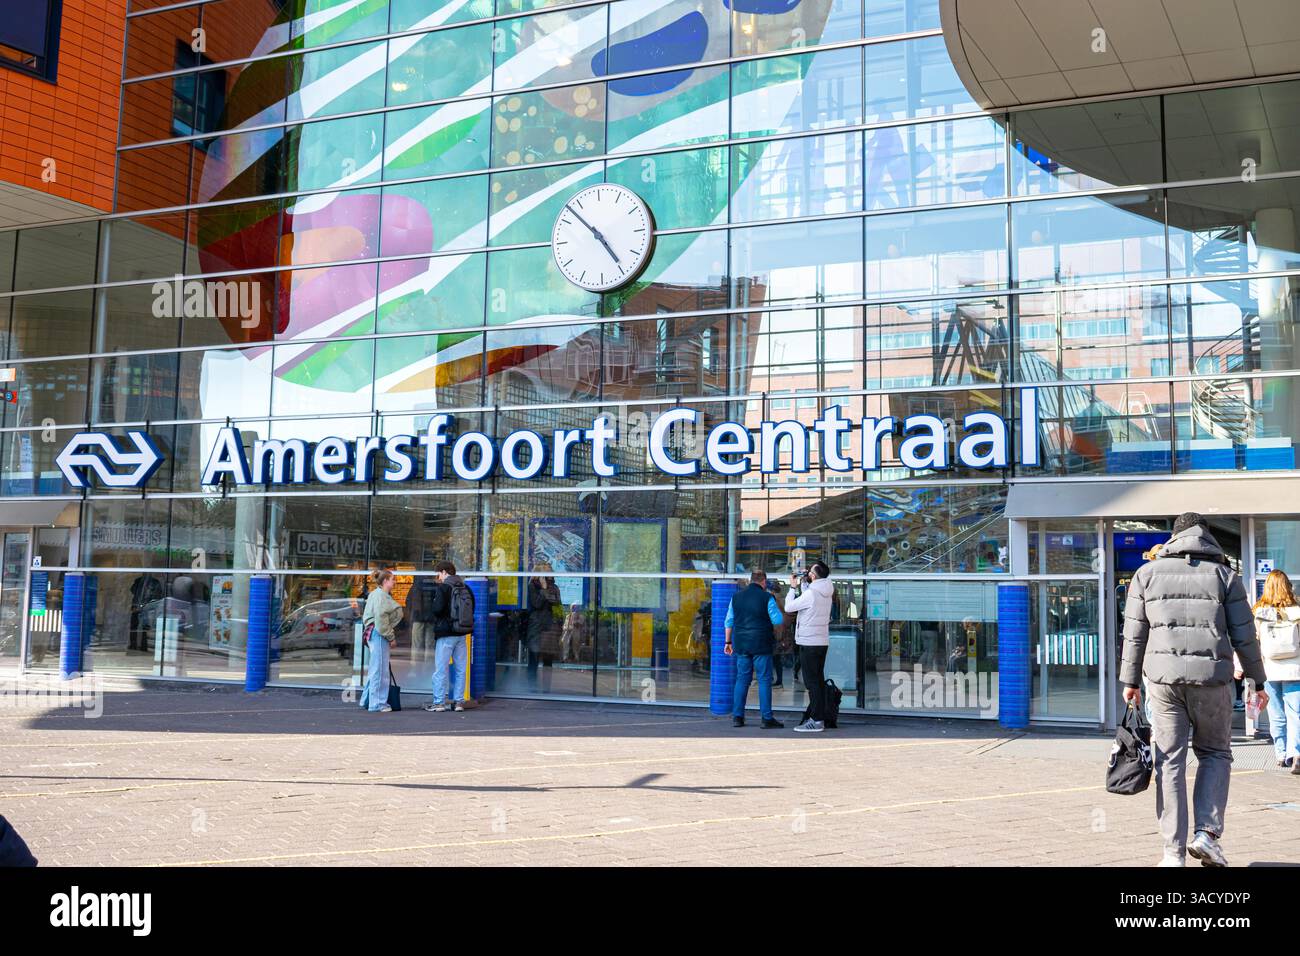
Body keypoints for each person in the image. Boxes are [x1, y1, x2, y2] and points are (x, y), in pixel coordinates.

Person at [1120, 512, 1268, 867]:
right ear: (1206, 536)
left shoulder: (1146, 574)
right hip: (1212, 680)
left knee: (1169, 761)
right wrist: (1257, 680)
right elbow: (1244, 635)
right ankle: (1207, 835)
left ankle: (1172, 854)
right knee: (1215, 754)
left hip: (1163, 681)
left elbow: (1134, 633)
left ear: (1174, 537)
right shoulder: (1224, 575)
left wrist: (1129, 681)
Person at [1251, 569, 1300, 773]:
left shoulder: (1258, 612)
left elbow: (1253, 642)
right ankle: (1295, 754)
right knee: (1295, 714)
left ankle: (1280, 754)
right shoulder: (1297, 611)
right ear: (1287, 586)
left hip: (1269, 670)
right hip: (1295, 670)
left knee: (1276, 714)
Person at [724, 571, 785, 729]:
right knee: (764, 680)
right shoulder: (767, 597)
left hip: (741, 644)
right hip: (761, 644)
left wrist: (727, 642)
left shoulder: (736, 597)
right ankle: (766, 719)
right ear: (763, 581)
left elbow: (728, 621)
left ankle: (738, 717)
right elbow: (777, 619)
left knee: (742, 679)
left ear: (751, 581)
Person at [785, 561, 835, 733]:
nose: (807, 573)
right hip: (821, 642)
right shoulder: (826, 590)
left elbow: (789, 607)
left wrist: (792, 588)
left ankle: (816, 720)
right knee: (818, 681)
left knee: (812, 683)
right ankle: (818, 716)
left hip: (809, 643)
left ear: (814, 575)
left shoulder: (813, 593)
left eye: (810, 572)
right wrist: (805, 584)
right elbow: (810, 600)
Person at [422, 561, 472, 713]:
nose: (438, 577)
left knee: (441, 669)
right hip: (461, 633)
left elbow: (437, 610)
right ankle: (458, 702)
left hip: (446, 633)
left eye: (438, 573)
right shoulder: (465, 587)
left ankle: (439, 702)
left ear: (444, 572)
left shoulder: (444, 587)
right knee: (461, 669)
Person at [361, 569, 403, 714]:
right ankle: (377, 704)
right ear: (385, 581)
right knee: (380, 670)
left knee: (376, 669)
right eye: (392, 579)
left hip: (374, 633)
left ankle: (368, 700)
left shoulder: (376, 594)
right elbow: (381, 619)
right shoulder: (381, 597)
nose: (395, 582)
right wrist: (391, 636)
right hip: (379, 634)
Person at [526, 566, 562, 692]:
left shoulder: (554, 587)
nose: (551, 573)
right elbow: (536, 603)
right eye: (548, 571)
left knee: (548, 660)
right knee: (533, 659)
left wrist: (546, 589)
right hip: (536, 627)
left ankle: (546, 689)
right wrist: (544, 589)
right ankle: (531, 688)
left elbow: (556, 602)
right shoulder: (532, 586)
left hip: (550, 628)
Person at [405, 571, 440, 665]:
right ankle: (428, 666)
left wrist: (410, 615)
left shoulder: (415, 587)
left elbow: (408, 602)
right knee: (430, 644)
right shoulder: (435, 586)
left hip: (417, 618)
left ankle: (415, 666)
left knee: (416, 644)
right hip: (431, 619)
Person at [767, 578, 794, 688]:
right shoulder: (783, 599)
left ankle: (775, 680)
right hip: (782, 632)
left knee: (773, 657)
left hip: (776, 632)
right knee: (776, 658)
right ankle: (778, 680)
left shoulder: (773, 599)